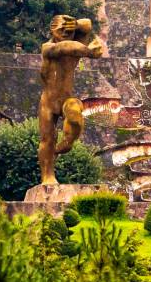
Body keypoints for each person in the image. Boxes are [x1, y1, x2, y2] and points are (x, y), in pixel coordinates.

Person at [37, 15, 104, 185]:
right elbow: (65, 48)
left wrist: (77, 23)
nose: (67, 33)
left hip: (67, 98)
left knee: (75, 115)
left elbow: (87, 24)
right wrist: (88, 52)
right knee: (47, 140)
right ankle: (47, 176)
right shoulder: (48, 47)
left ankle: (66, 144)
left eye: (70, 30)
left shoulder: (77, 41)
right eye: (62, 30)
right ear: (53, 30)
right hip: (48, 102)